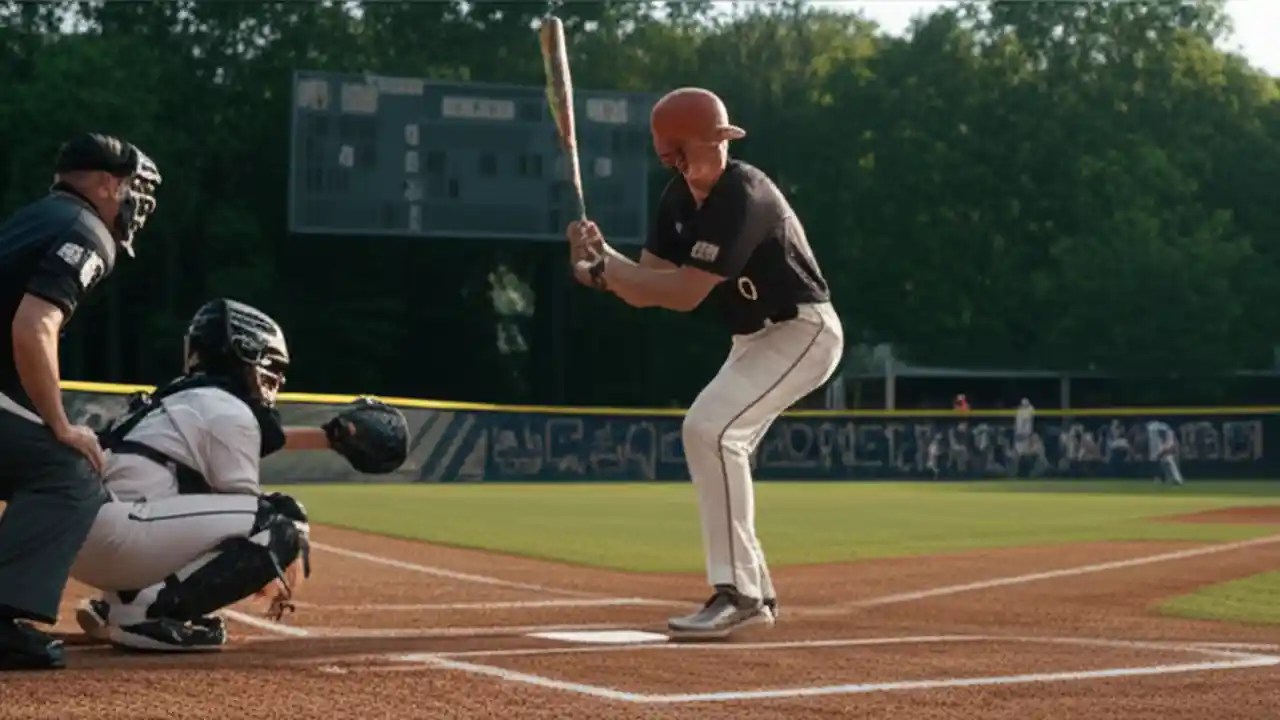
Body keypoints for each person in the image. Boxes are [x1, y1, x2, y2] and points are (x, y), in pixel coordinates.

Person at [566, 87, 844, 640]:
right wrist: (599, 265)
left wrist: (606, 269)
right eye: (672, 155)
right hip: (754, 340)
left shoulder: (744, 191)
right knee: (715, 435)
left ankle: (737, 593)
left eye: (691, 149)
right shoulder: (676, 200)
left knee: (709, 429)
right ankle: (753, 592)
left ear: (720, 140)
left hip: (803, 331)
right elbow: (645, 287)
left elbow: (684, 292)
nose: (684, 164)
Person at [68, 298, 408, 652]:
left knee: (212, 502)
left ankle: (122, 604)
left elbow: (259, 439)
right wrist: (279, 552)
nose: (277, 378)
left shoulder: (188, 398)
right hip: (119, 540)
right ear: (245, 354)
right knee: (275, 521)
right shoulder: (228, 409)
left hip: (92, 536)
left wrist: (330, 437)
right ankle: (149, 613)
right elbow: (244, 511)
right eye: (272, 366)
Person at [0, 133, 161, 670]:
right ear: (108, 183)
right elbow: (33, 326)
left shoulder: (44, 215)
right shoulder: (86, 230)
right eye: (134, 187)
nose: (137, 200)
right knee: (66, 469)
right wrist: (62, 425)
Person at [1147, 420, 1184, 486]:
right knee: (1163, 463)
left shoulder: (1169, 432)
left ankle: (1177, 479)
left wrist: (1161, 452)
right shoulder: (1158, 437)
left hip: (1172, 449)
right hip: (1165, 450)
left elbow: (1170, 444)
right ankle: (1167, 479)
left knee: (1169, 461)